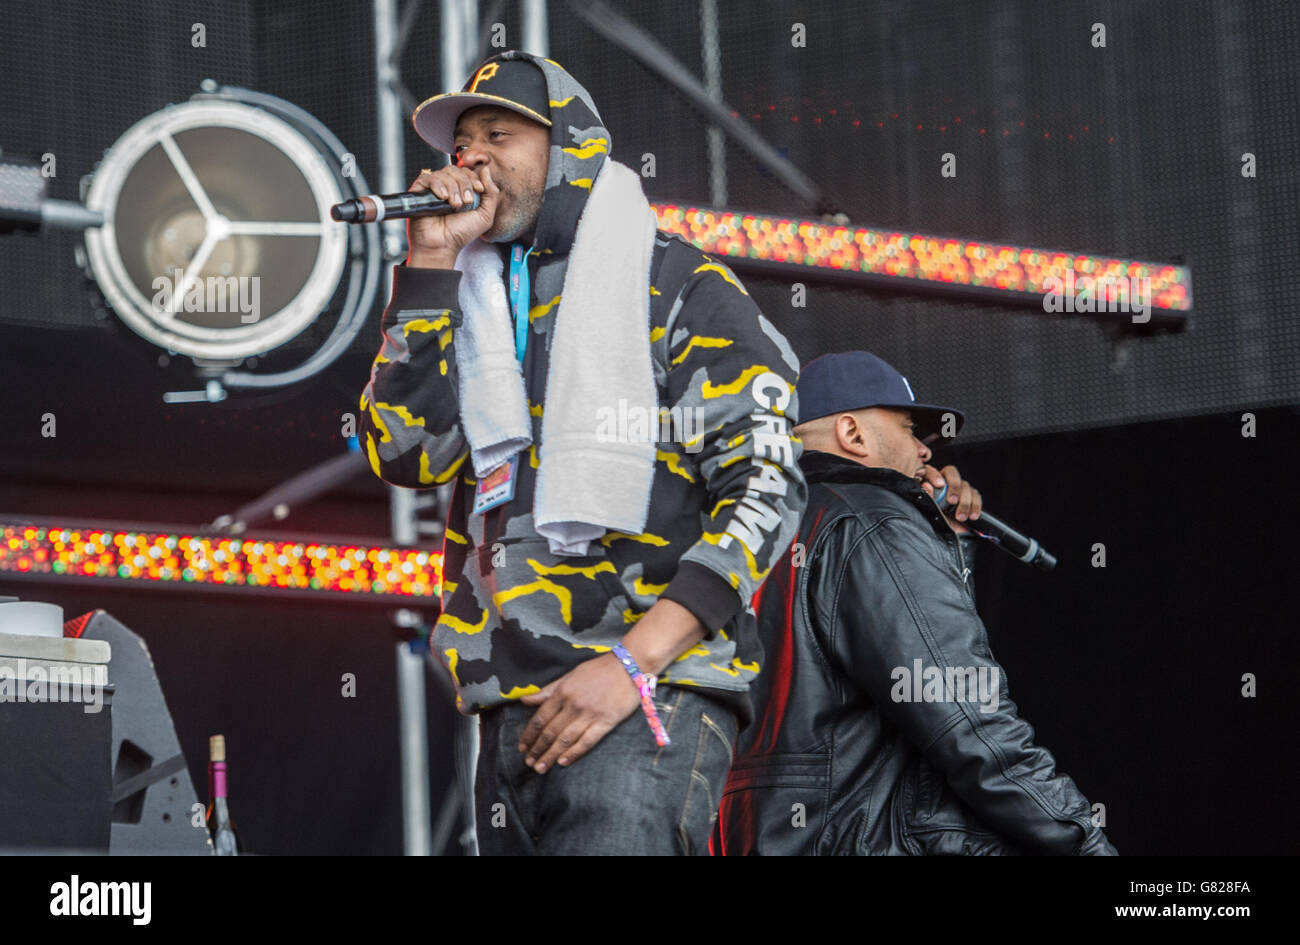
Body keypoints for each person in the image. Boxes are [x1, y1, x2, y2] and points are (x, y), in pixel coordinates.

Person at [358, 50, 806, 855]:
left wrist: (632, 665)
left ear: (569, 148)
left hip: (646, 697)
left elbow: (768, 486)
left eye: (499, 133)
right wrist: (428, 263)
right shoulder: (473, 299)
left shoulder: (677, 285)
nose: (471, 158)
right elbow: (403, 453)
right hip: (510, 707)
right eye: (461, 144)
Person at [712, 351, 1117, 855]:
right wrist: (1085, 842)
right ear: (852, 434)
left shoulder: (749, 537)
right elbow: (970, 722)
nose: (925, 453)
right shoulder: (874, 523)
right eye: (909, 431)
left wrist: (950, 542)